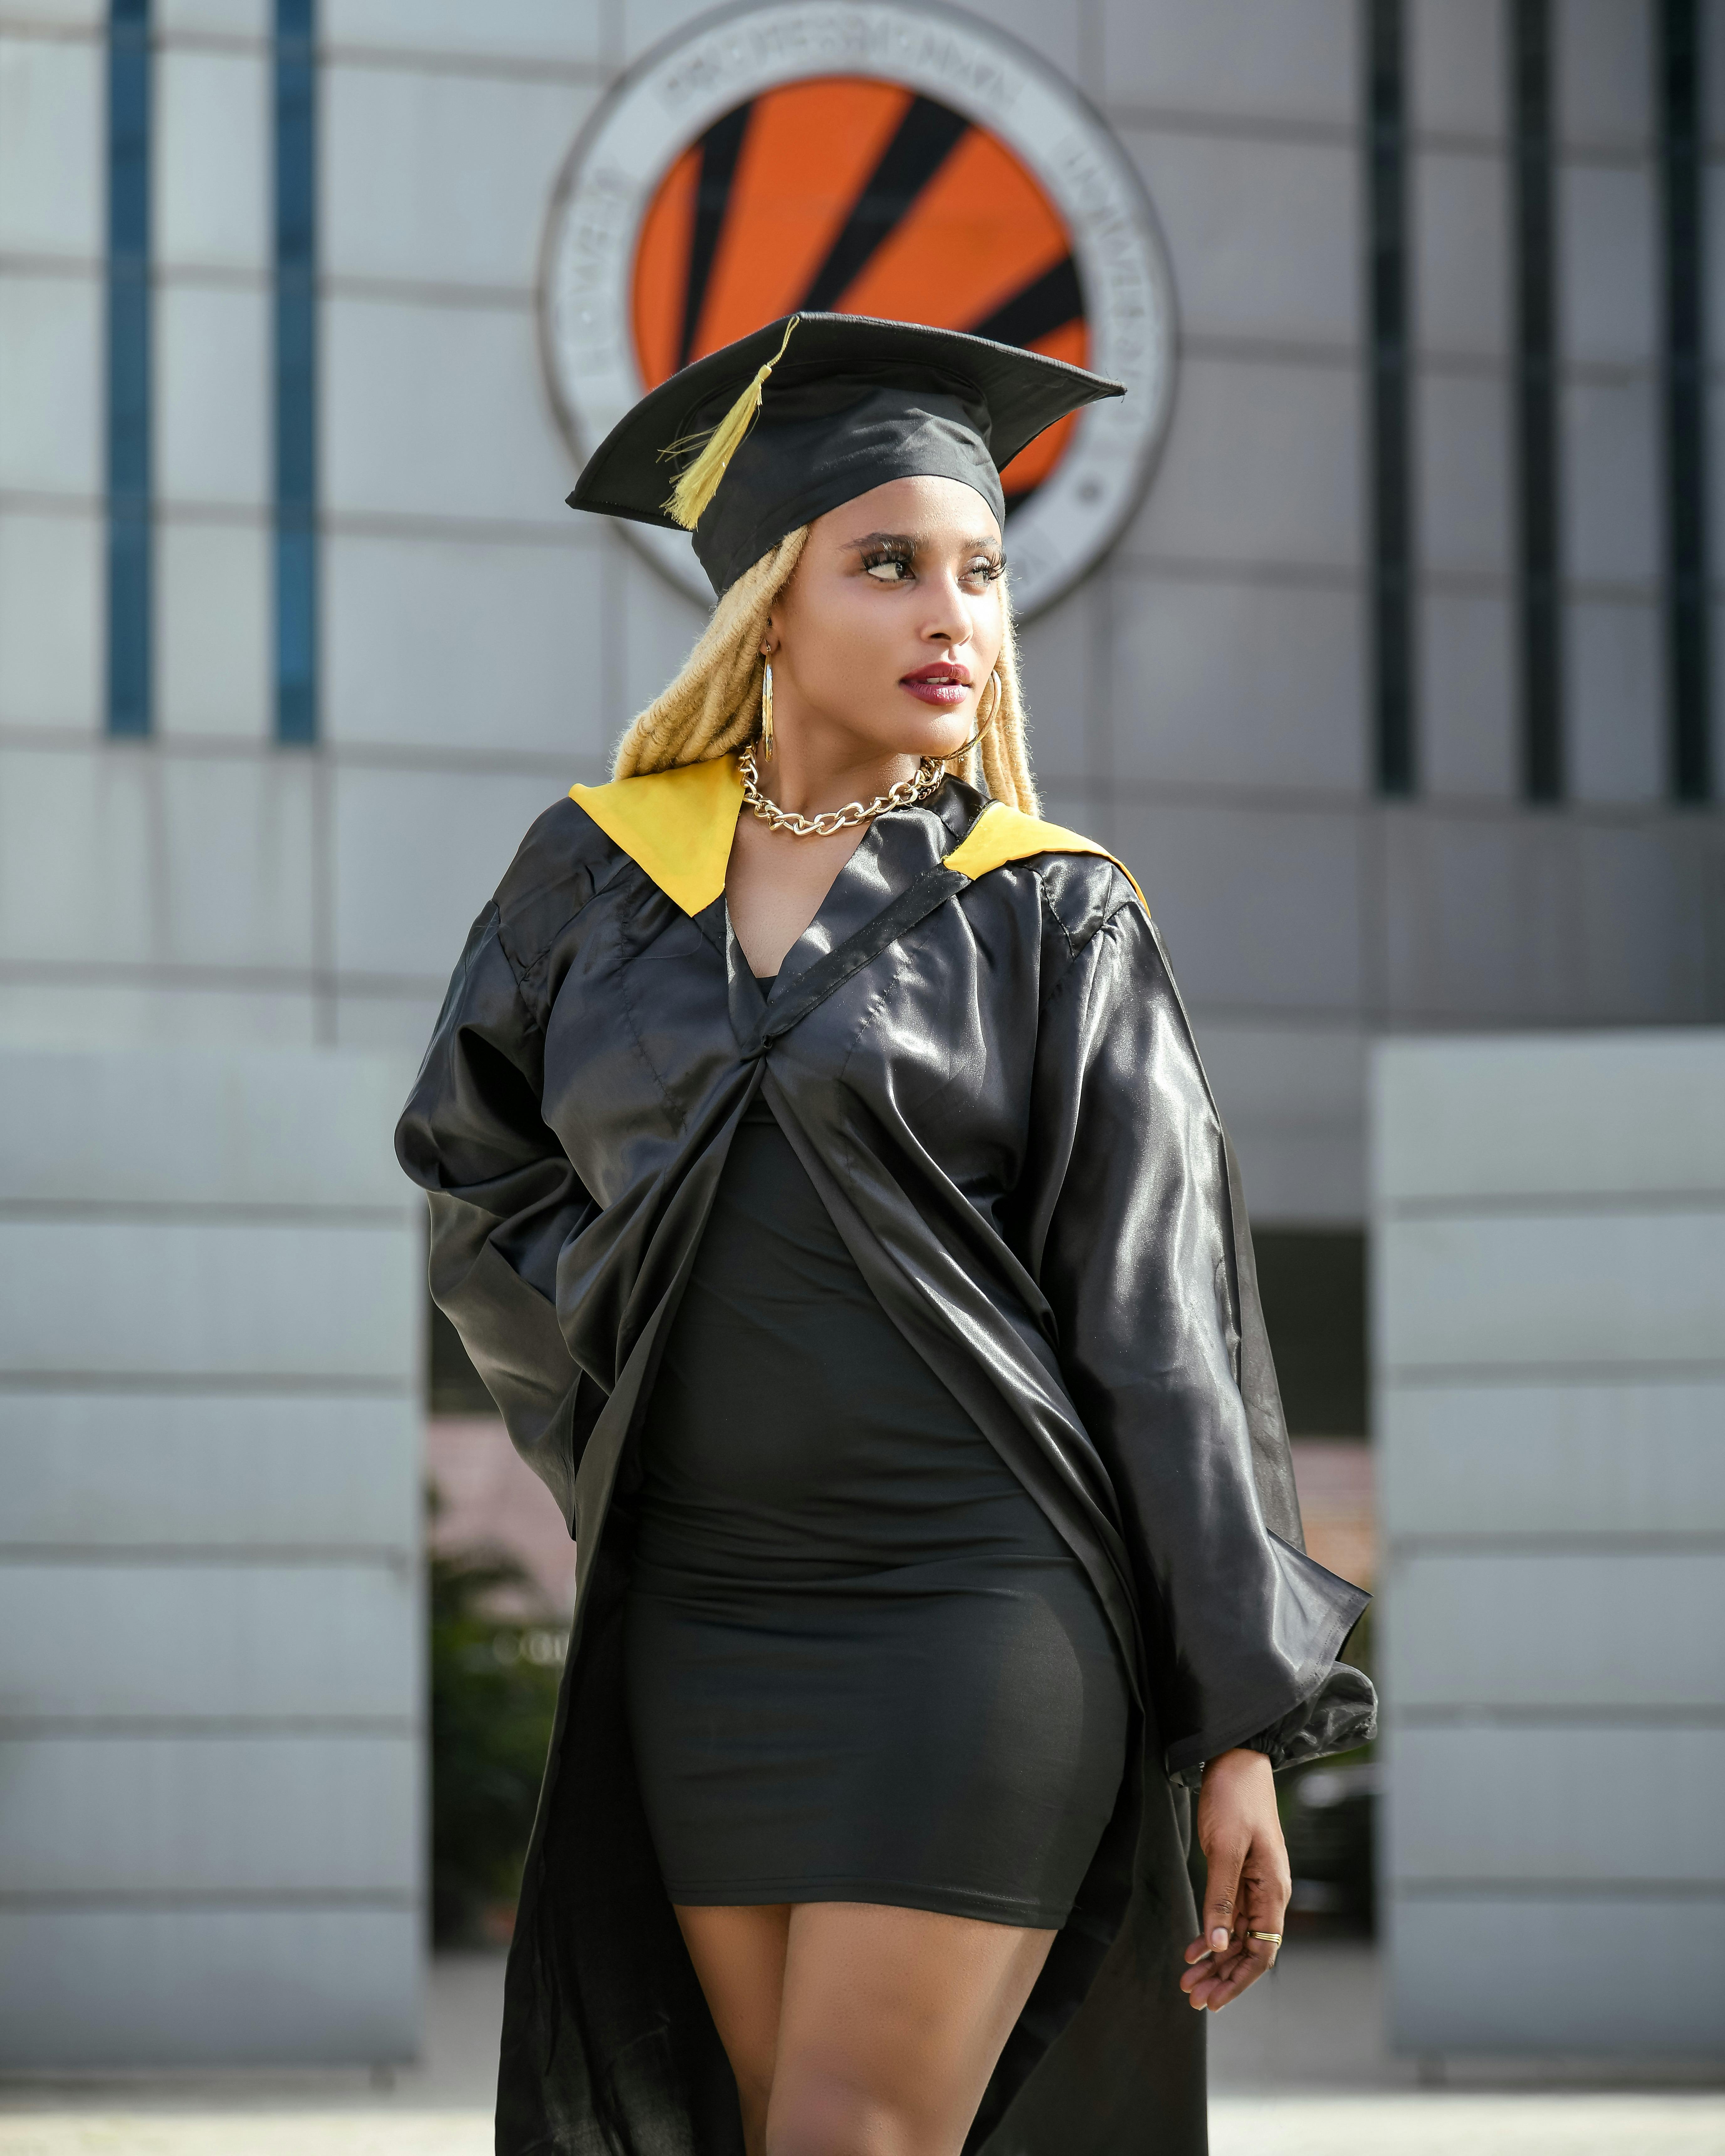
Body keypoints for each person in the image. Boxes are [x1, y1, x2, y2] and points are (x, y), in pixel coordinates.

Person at [396, 311, 1375, 2156]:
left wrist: (1240, 1723)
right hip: (701, 1612)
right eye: (892, 564)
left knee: (854, 2134)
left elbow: (1166, 1327)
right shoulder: (596, 881)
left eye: (983, 573)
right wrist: (608, 1373)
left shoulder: (1045, 915)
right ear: (769, 604)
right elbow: (474, 1170)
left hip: (978, 1602)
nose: (956, 615)